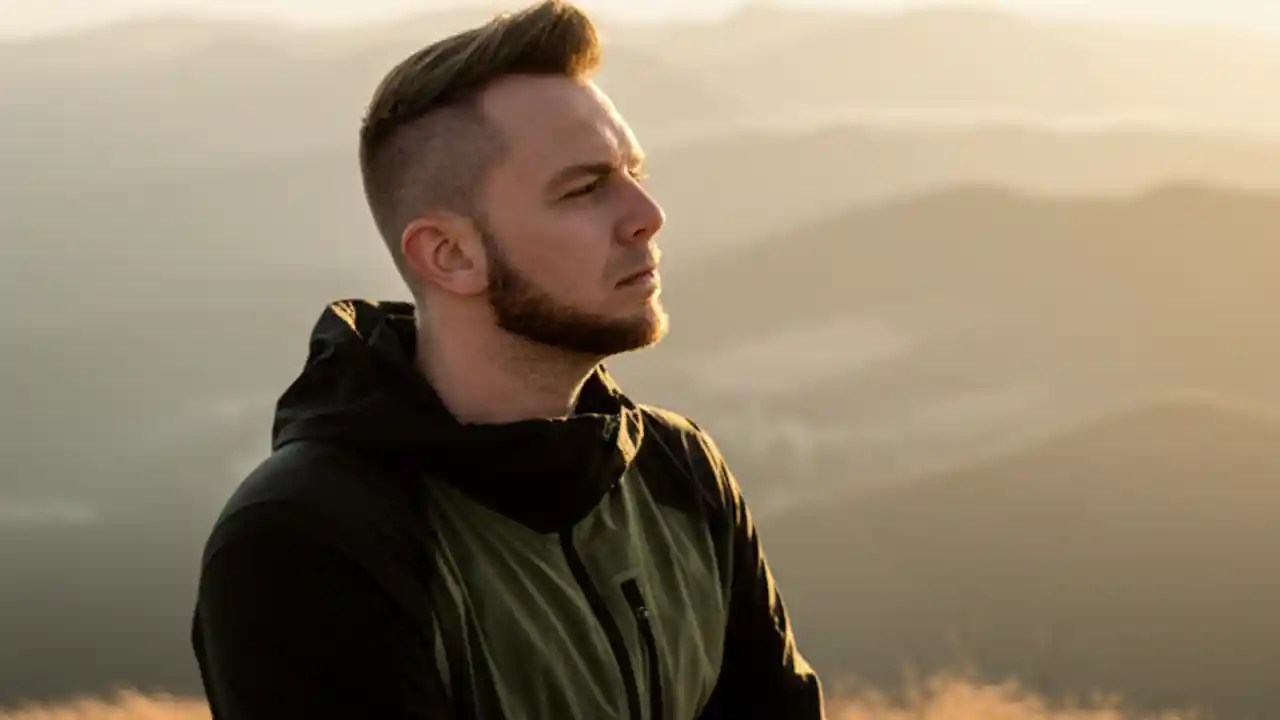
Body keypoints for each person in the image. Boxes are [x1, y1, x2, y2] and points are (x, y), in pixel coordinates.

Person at [190, 1, 824, 717]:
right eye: (585, 188)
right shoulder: (306, 539)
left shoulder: (678, 472)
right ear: (451, 255)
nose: (647, 212)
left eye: (632, 171)